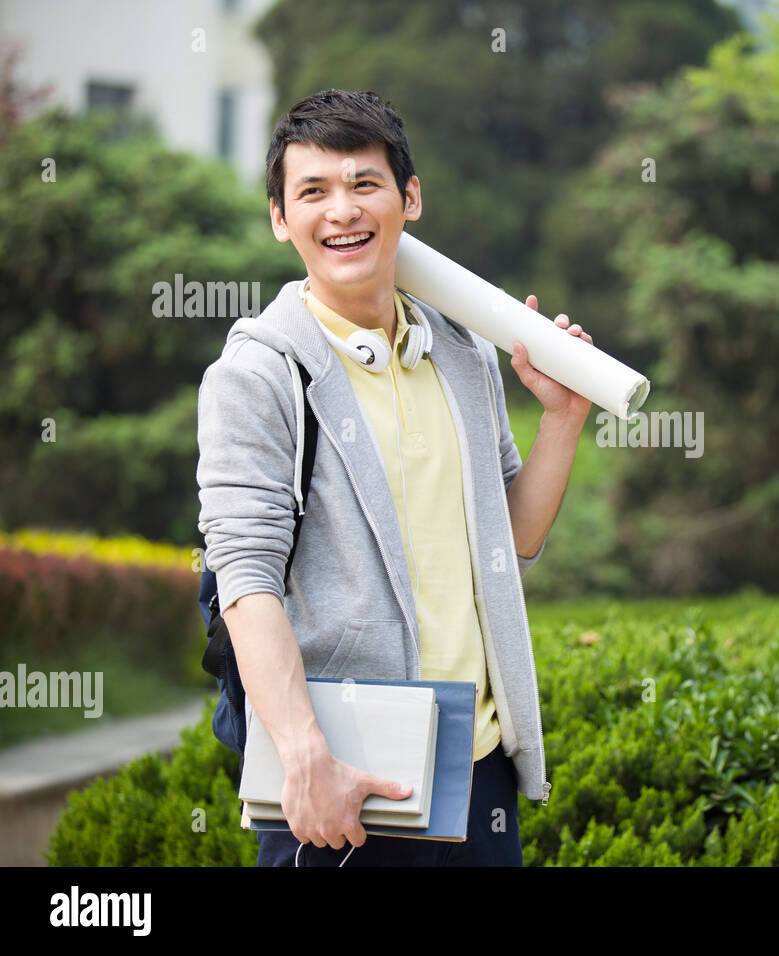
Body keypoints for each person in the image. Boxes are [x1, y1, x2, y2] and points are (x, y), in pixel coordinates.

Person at [195, 88, 592, 866]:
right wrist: (305, 759)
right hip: (343, 776)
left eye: (364, 183)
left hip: (479, 773)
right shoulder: (258, 374)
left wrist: (564, 419)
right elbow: (246, 581)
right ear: (282, 218)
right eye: (312, 191)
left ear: (408, 198)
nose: (341, 210)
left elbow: (510, 538)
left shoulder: (464, 351)